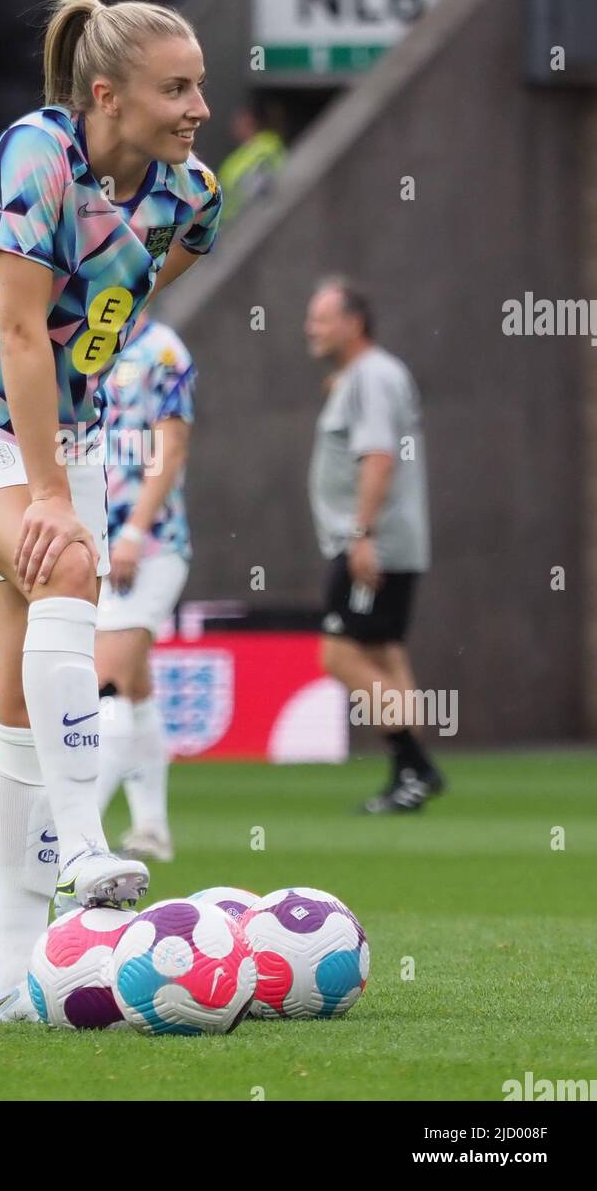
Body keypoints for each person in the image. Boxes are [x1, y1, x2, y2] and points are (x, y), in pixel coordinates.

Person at [0, 0, 222, 1022]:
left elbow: (114, 313)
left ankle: (9, 978)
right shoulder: (36, 153)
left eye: (201, 86)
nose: (199, 108)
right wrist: (47, 492)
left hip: (54, 435)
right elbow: (25, 332)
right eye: (178, 89)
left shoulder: (191, 194)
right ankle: (85, 837)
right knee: (65, 562)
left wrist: (63, 449)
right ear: (108, 95)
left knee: (20, 701)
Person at [305, 276, 445, 813]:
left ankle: (416, 764)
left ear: (352, 322)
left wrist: (362, 534)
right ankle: (409, 774)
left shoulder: (371, 376)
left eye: (321, 319)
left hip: (369, 542)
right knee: (385, 655)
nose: (310, 329)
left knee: (338, 654)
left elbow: (379, 455)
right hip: (384, 540)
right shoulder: (364, 378)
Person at [94, 311, 195, 863]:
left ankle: (73, 830)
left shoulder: (163, 351)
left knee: (103, 679)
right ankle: (152, 827)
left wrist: (132, 533)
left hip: (150, 547)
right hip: (96, 548)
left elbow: (171, 450)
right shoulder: (84, 344)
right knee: (132, 687)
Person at [216, 100, 287, 224]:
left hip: (250, 220)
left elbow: (262, 185)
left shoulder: (266, 147)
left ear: (250, 120)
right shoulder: (239, 155)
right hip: (230, 223)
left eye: (239, 119)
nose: (234, 125)